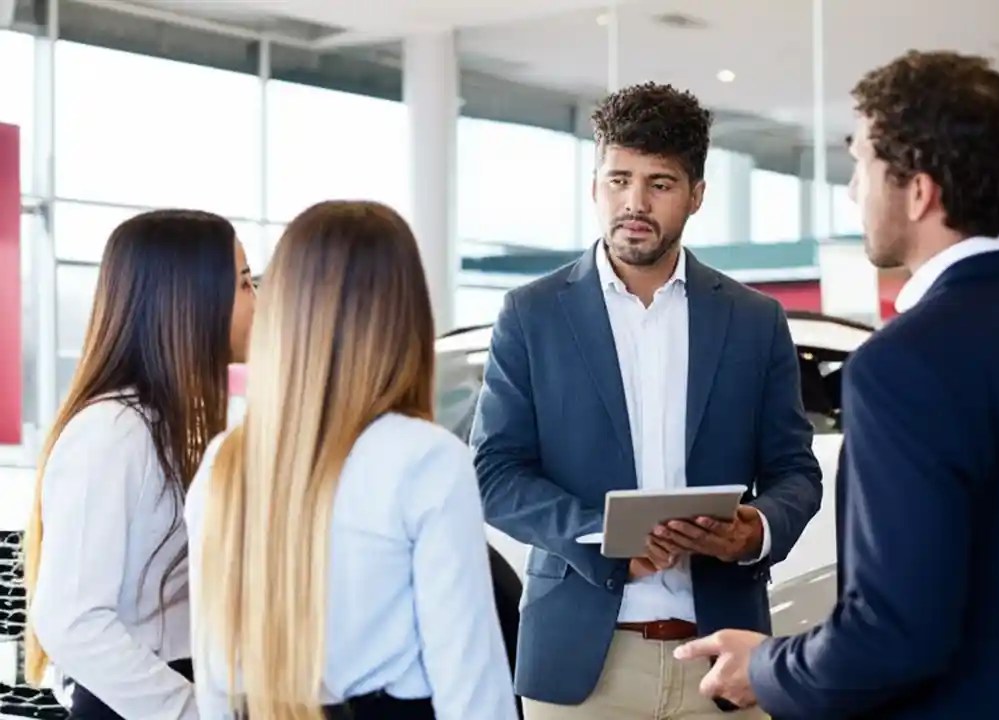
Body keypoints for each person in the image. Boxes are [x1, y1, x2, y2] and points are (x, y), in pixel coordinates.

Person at [675, 50, 999, 719]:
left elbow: (891, 633)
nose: (853, 192)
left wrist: (766, 669)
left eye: (860, 164)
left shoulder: (902, 365)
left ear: (919, 191)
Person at [471, 82, 823, 719]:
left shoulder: (754, 321)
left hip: (722, 661)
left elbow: (795, 470)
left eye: (659, 183)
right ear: (594, 186)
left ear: (696, 195)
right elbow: (494, 473)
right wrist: (598, 538)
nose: (634, 202)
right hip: (581, 666)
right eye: (619, 180)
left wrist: (756, 530)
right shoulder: (531, 315)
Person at [185, 200, 517, 720]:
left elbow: (213, 680)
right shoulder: (426, 461)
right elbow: (471, 688)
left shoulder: (223, 462)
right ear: (403, 315)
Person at [24, 209, 256, 719]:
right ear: (192, 300)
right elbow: (70, 620)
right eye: (244, 283)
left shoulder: (174, 425)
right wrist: (188, 711)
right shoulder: (112, 432)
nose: (256, 301)